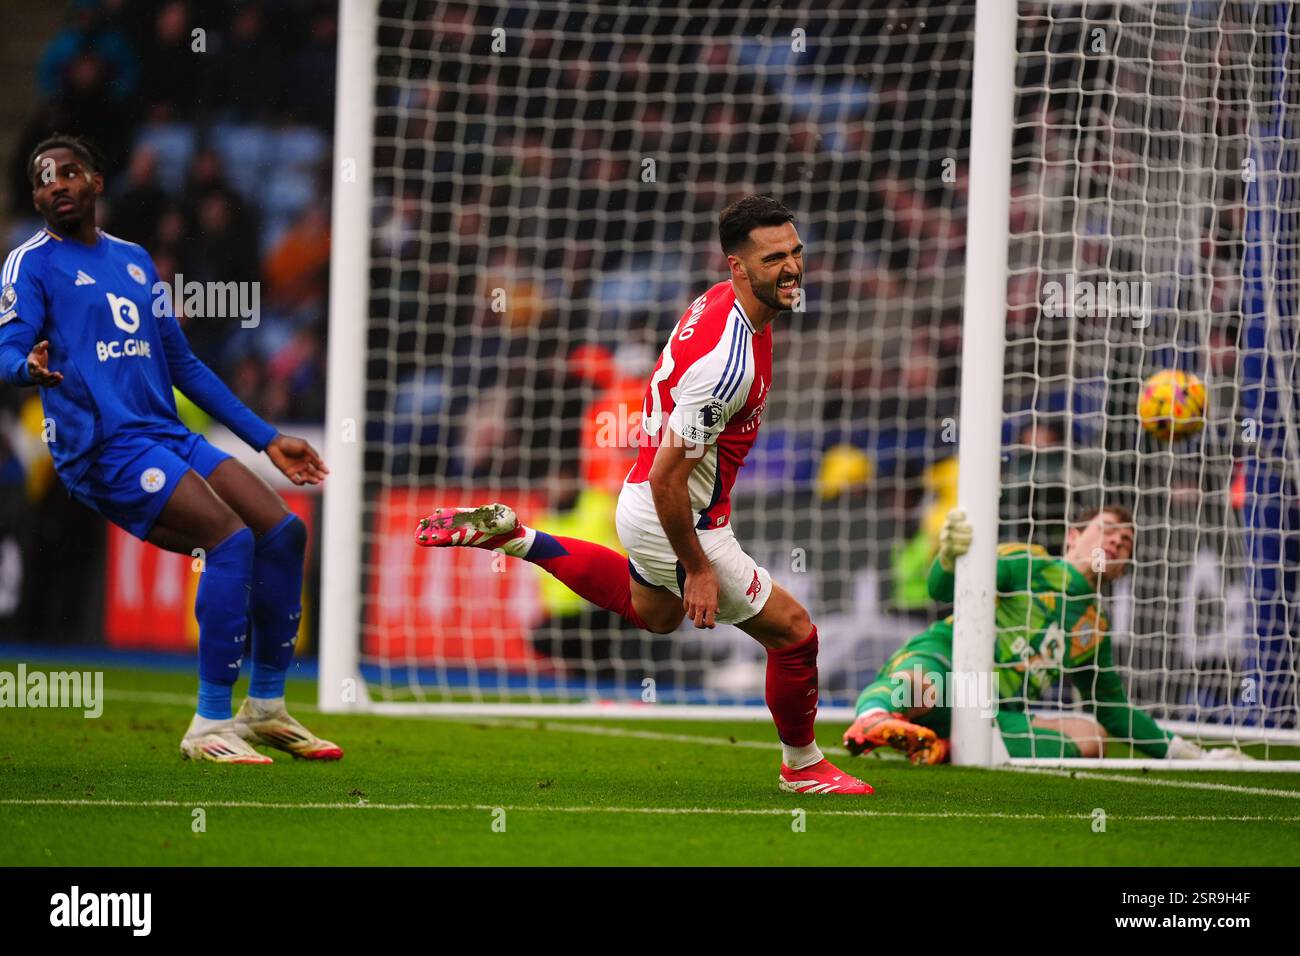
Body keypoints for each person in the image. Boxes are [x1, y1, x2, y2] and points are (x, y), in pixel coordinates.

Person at [416, 194, 872, 795]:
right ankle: (804, 765)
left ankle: (518, 537)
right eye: (773, 259)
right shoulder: (726, 364)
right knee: (795, 633)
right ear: (737, 266)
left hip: (645, 502)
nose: (791, 269)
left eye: (795, 252)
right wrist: (698, 568)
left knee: (655, 614)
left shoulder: (719, 301)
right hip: (673, 512)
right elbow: (669, 477)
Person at [0, 134, 339, 764]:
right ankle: (209, 724)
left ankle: (265, 707)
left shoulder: (134, 261)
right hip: (103, 450)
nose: (57, 186)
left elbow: (181, 361)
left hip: (166, 434)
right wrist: (29, 368)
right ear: (37, 197)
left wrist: (267, 440)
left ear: (97, 181)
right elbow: (6, 349)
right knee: (231, 540)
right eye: (44, 180)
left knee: (282, 532)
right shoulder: (30, 264)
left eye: (69, 173)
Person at [842, 506, 1239, 764]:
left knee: (1092, 739)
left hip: (993, 710)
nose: (1117, 541)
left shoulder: (1094, 627)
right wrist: (948, 559)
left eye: (1126, 542)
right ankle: (873, 719)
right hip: (946, 663)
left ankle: (944, 748)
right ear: (1072, 537)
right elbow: (943, 591)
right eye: (1108, 530)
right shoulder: (1027, 562)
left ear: (1122, 569)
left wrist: (1189, 754)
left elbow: (1111, 708)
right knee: (920, 687)